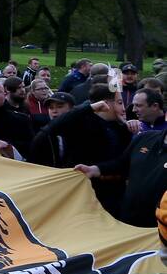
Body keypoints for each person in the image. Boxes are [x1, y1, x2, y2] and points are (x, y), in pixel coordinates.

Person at [33, 85, 130, 213]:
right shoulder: (82, 123)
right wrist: (88, 108)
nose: (124, 108)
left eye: (59, 106)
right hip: (84, 194)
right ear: (106, 104)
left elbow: (124, 162)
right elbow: (46, 133)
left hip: (115, 196)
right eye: (120, 103)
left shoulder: (122, 128)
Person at [76, 114, 167, 227]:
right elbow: (122, 164)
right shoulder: (144, 138)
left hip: (158, 227)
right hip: (128, 218)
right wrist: (95, 169)